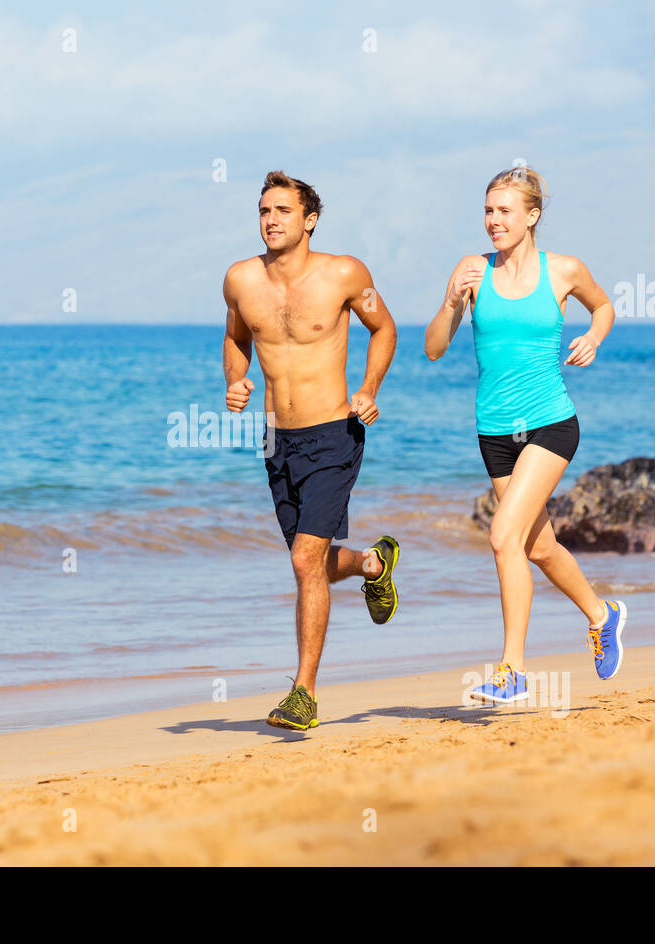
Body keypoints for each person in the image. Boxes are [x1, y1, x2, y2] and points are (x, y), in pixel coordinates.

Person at [424, 165, 627, 703]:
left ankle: (511, 670)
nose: (493, 221)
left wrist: (594, 337)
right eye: (488, 211)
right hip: (494, 432)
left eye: (504, 211)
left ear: (532, 215)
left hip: (550, 422)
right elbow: (433, 348)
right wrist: (449, 302)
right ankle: (602, 614)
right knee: (538, 546)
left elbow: (603, 305)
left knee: (502, 537)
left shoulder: (562, 270)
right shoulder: (472, 271)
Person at [223, 170, 399, 730]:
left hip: (333, 434)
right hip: (278, 439)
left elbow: (385, 328)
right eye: (263, 211)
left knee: (303, 560)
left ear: (309, 219)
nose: (270, 220)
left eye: (281, 210)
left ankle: (304, 693)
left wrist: (368, 388)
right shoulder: (241, 280)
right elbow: (235, 339)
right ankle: (373, 564)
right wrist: (235, 379)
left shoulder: (344, 273)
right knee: (313, 560)